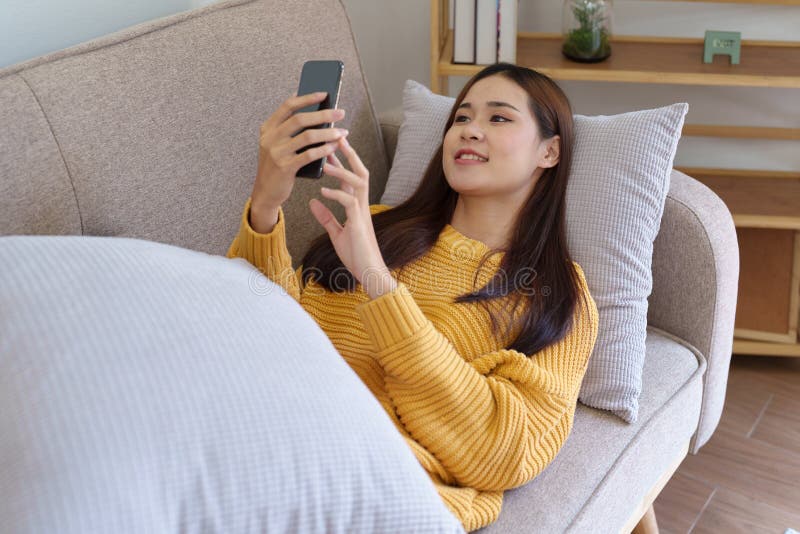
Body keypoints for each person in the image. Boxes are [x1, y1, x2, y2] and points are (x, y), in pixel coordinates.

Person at [226, 62, 599, 532]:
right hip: (263, 426)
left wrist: (378, 282)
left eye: (498, 118)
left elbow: (507, 452)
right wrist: (264, 207)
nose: (471, 131)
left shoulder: (555, 294)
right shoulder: (374, 225)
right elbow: (265, 336)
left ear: (550, 151)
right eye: (461, 119)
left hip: (362, 485)